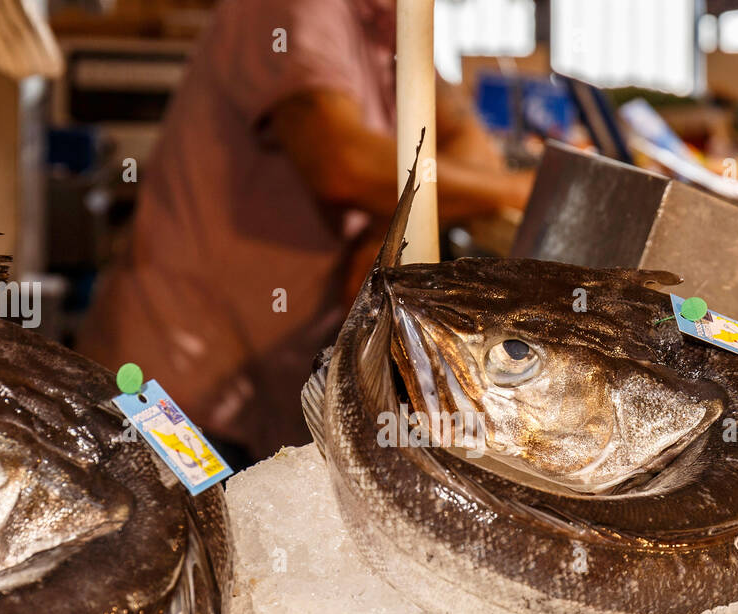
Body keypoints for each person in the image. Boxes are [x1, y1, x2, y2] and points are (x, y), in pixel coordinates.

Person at [75, 0, 533, 464]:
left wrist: (384, 221)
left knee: (246, 526)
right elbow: (338, 161)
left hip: (264, 391)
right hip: (168, 392)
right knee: (180, 528)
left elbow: (462, 139)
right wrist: (517, 189)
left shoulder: (391, 18)